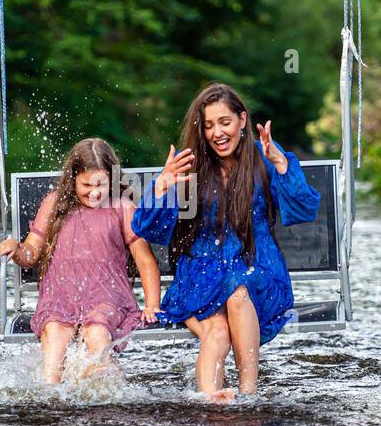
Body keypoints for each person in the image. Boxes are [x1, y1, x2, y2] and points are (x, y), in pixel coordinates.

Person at [132, 83, 321, 400]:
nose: (217, 132)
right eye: (208, 126)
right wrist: (162, 187)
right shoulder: (189, 164)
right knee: (217, 330)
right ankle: (211, 399)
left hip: (257, 268)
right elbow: (146, 228)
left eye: (225, 122)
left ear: (242, 120)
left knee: (237, 288)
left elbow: (304, 209)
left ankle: (248, 395)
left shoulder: (265, 158)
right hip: (201, 271)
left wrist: (282, 165)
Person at [0, 138, 162, 383]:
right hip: (60, 296)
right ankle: (51, 401)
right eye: (87, 184)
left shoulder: (121, 206)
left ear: (112, 179)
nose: (94, 192)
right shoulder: (54, 205)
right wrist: (17, 249)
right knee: (54, 335)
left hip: (107, 296)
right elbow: (32, 253)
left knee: (96, 332)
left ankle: (104, 393)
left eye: (101, 184)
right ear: (73, 178)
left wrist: (152, 304)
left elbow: (144, 260)